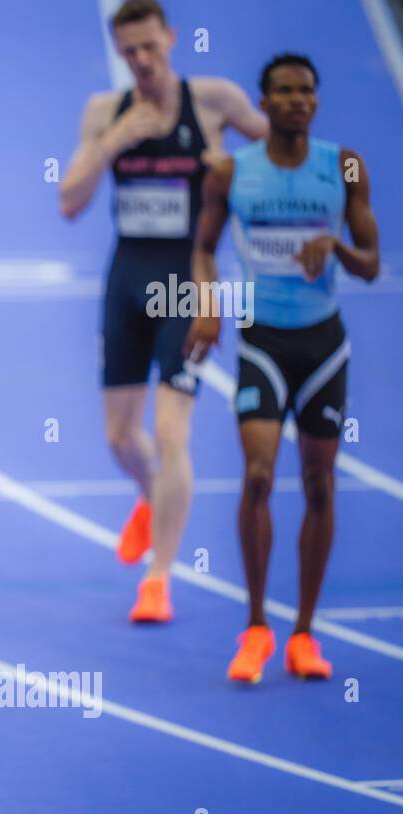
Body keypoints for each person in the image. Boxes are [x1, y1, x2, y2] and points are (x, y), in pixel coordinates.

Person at [60, 0, 267, 621]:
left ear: (171, 40)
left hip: (187, 281)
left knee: (172, 432)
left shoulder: (214, 101)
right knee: (121, 437)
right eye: (130, 53)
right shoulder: (105, 111)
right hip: (126, 280)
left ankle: (159, 578)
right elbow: (70, 201)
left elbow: (283, 150)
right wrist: (115, 142)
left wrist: (230, 170)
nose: (142, 62)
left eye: (151, 48)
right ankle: (153, 501)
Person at [186, 54, 379, 682]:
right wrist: (207, 309)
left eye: (307, 92)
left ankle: (303, 634)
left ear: (317, 102)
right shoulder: (229, 171)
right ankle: (256, 627)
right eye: (284, 92)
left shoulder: (345, 165)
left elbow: (372, 264)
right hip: (262, 343)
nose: (298, 100)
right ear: (263, 105)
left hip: (323, 348)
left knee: (320, 486)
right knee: (260, 475)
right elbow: (203, 251)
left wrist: (338, 248)